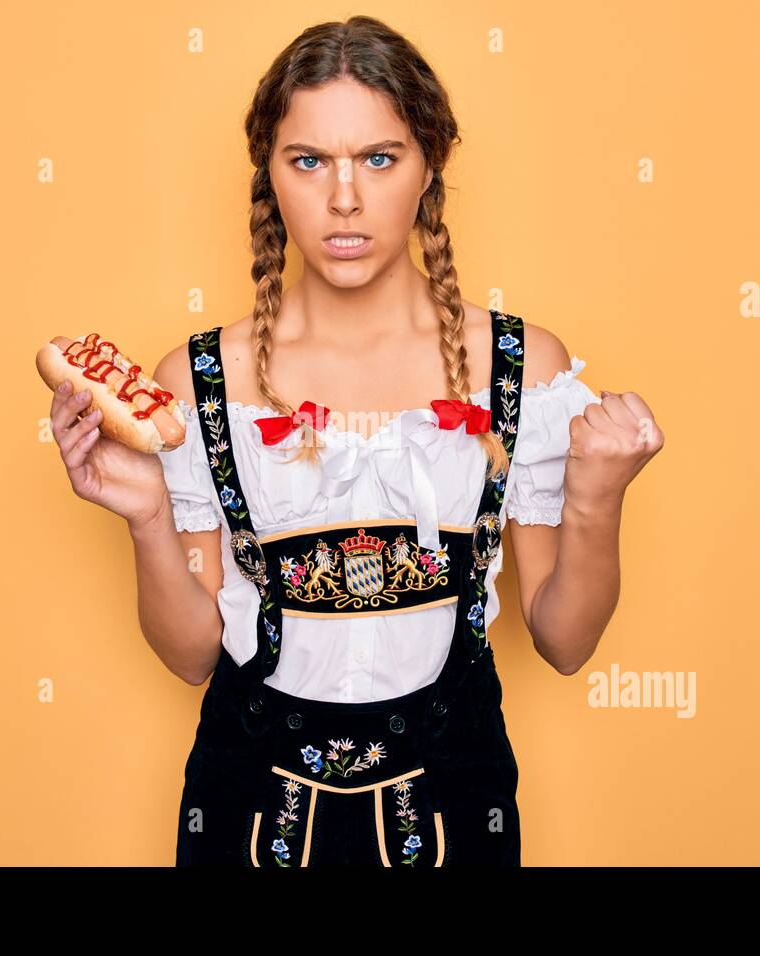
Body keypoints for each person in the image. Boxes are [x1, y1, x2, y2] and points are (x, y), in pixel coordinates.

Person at [46, 15, 663, 867]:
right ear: (270, 171)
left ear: (429, 165)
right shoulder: (196, 381)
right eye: (309, 161)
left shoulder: (522, 366)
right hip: (247, 816)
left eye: (379, 158)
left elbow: (564, 641)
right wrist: (148, 515)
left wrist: (598, 497)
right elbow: (191, 655)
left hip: (456, 815)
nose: (345, 200)